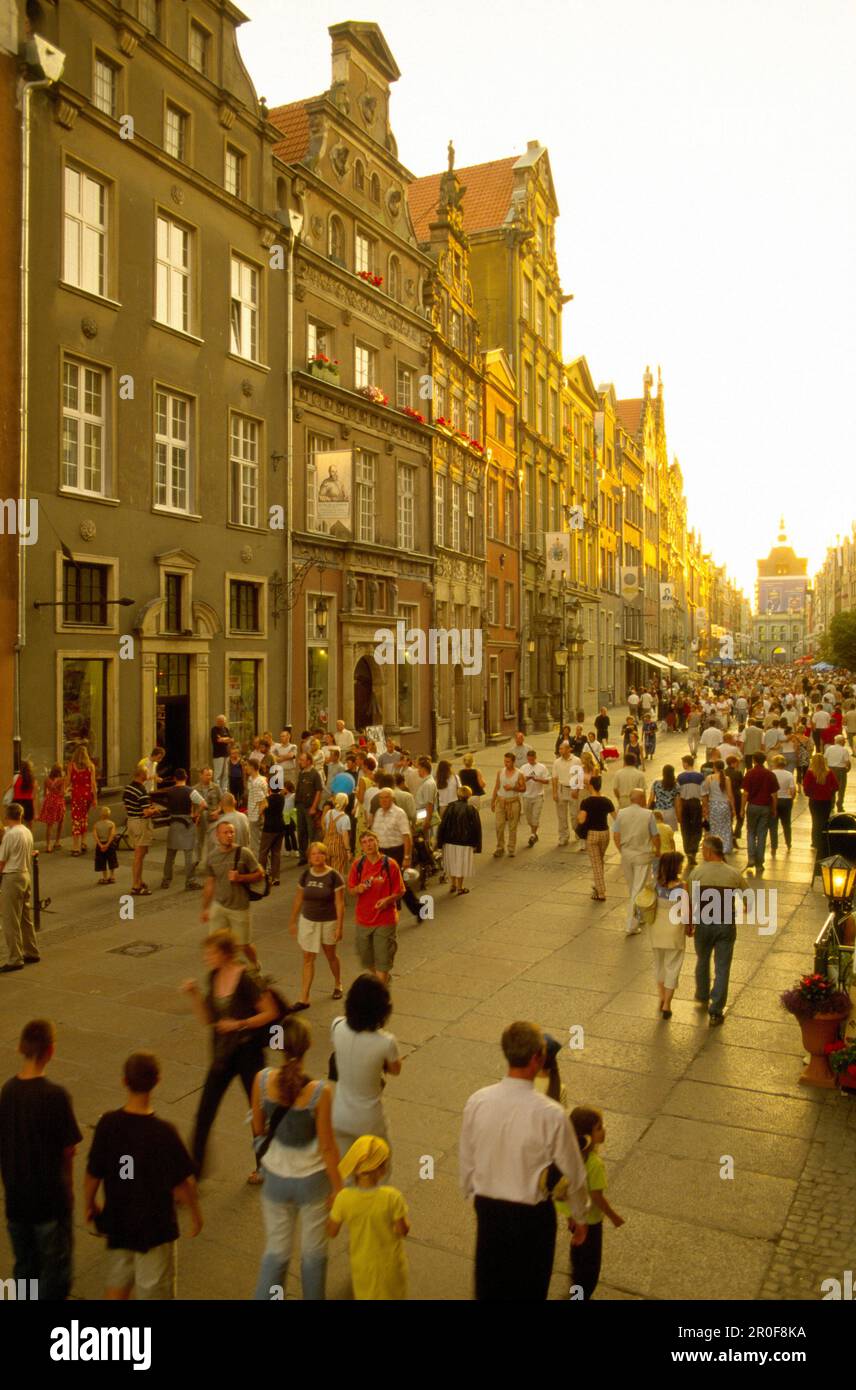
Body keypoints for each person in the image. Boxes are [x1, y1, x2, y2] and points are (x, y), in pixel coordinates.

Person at [459, 1021, 588, 1302]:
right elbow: (575, 1173)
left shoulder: (478, 1101)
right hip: (531, 1218)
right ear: (536, 1059)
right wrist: (579, 1216)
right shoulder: (551, 1114)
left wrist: (471, 1189)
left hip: (490, 1209)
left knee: (490, 1287)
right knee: (530, 1288)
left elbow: (467, 1156)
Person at [84, 1052, 202, 1299]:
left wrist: (89, 1203)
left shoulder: (108, 1124)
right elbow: (182, 1183)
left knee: (117, 1285)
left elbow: (93, 1173)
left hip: (118, 1221)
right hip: (154, 1229)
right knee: (154, 1289)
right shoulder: (164, 1133)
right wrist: (195, 1213)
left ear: (124, 1081)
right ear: (158, 1081)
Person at [251, 1016, 341, 1300]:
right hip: (313, 1183)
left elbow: (257, 1128)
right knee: (314, 1255)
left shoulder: (262, 1081)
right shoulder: (319, 1092)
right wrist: (339, 1188)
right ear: (309, 1045)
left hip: (275, 1181)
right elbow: (327, 1146)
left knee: (276, 1252)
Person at [182, 929, 278, 1178]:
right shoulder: (213, 976)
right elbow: (208, 1020)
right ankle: (194, 1172)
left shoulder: (246, 978)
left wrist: (238, 1024)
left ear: (225, 954)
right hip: (222, 1054)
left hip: (248, 1053)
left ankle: (264, 1166)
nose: (206, 957)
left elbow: (270, 1012)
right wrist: (194, 996)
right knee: (204, 1113)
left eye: (211, 953)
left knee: (257, 1110)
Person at [0, 1019, 82, 1300]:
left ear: (22, 1048)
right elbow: (68, 1150)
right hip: (49, 1201)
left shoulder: (7, 1090)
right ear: (51, 1050)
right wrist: (69, 1190)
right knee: (55, 1272)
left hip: (16, 1202)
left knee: (24, 1268)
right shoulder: (56, 1095)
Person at [328, 1136, 409, 1300]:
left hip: (362, 1267)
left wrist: (332, 1209)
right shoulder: (392, 1197)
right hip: (391, 1266)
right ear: (380, 1169)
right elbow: (402, 1230)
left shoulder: (344, 1198)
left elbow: (332, 1231)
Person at [330, 975, 401, 1159]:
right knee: (380, 1165)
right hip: (368, 1119)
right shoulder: (386, 1042)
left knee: (346, 1169)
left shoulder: (336, 1026)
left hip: (339, 1114)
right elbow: (395, 1070)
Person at [687, 835, 748, 1025]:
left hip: (703, 923)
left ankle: (702, 994)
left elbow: (688, 901)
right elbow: (748, 898)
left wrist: (689, 923)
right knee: (722, 967)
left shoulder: (697, 872)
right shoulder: (733, 873)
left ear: (707, 851)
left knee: (702, 959)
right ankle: (716, 1010)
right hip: (725, 924)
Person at [569, 1107, 624, 1301]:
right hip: (591, 1223)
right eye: (599, 1128)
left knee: (578, 1263)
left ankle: (576, 1293)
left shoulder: (571, 1158)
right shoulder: (594, 1164)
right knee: (590, 1271)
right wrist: (614, 1216)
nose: (604, 1130)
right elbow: (597, 1197)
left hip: (575, 1220)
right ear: (587, 1136)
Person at [201, 820, 265, 971]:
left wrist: (240, 878)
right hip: (219, 906)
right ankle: (226, 972)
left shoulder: (243, 853)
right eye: (226, 832)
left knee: (243, 945)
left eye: (232, 832)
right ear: (217, 835)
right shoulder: (212, 857)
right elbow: (210, 883)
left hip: (240, 907)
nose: (229, 835)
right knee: (216, 942)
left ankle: (255, 965)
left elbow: (260, 874)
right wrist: (205, 908)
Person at [288, 841, 345, 1008]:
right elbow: (299, 898)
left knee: (330, 955)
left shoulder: (334, 876)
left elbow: (339, 904)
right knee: (307, 958)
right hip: (308, 921)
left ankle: (337, 983)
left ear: (325, 856)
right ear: (309, 858)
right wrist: (293, 919)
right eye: (313, 854)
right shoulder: (305, 875)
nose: (317, 857)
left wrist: (340, 927)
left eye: (320, 853)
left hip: (328, 921)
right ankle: (304, 997)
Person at [347, 831, 405, 985]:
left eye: (371, 840)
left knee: (383, 959)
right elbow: (351, 889)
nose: (368, 844)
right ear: (361, 847)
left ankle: (381, 992)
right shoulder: (357, 865)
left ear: (377, 842)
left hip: (385, 919)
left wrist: (388, 900)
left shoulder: (390, 864)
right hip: (363, 919)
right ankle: (383, 978)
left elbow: (400, 890)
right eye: (364, 842)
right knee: (365, 958)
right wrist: (357, 889)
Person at [612, 790, 660, 937]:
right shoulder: (648, 814)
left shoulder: (621, 813)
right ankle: (631, 924)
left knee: (633, 887)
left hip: (626, 855)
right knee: (637, 889)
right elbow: (655, 836)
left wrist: (622, 850)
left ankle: (638, 915)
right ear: (642, 799)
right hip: (642, 856)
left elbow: (616, 835)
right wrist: (657, 851)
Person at [0, 803, 39, 972]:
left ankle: (15, 958)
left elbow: (2, 860)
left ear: (8, 816)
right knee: (25, 917)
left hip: (12, 876)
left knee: (10, 920)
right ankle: (31, 951)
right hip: (25, 874)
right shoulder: (26, 831)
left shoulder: (10, 835)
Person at [652, 852, 689, 1018]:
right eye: (681, 863)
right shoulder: (682, 887)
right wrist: (690, 927)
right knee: (673, 966)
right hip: (675, 930)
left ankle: (661, 997)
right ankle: (667, 1004)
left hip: (657, 930)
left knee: (659, 965)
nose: (682, 866)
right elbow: (686, 910)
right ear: (675, 866)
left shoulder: (655, 885)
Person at [155, 769, 204, 891]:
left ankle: (166, 880)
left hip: (174, 823)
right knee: (189, 855)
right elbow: (203, 803)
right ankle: (190, 881)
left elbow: (162, 802)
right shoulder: (190, 791)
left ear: (175, 778)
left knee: (170, 855)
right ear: (186, 777)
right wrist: (196, 814)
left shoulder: (169, 791)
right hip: (187, 823)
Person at [436, 784, 482, 895]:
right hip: (465, 842)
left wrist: (440, 841)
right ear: (469, 796)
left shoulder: (450, 807)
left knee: (451, 862)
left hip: (449, 840)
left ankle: (453, 884)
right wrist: (477, 844)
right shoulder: (472, 809)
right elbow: (476, 828)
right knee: (461, 864)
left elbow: (443, 825)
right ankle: (460, 887)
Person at [123, 761, 159, 895]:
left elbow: (126, 806)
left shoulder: (128, 788)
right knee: (139, 856)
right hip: (141, 823)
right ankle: (136, 885)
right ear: (142, 775)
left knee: (140, 855)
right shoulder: (142, 790)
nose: (148, 774)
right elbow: (146, 812)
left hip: (131, 821)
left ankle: (139, 879)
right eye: (146, 772)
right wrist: (154, 810)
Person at [577, 776, 614, 902]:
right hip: (605, 833)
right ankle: (598, 885)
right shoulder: (607, 801)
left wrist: (579, 817)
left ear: (591, 786)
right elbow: (616, 817)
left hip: (592, 834)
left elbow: (581, 819)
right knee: (600, 860)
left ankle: (601, 892)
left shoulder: (586, 802)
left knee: (596, 864)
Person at [741, 752, 779, 874]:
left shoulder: (750, 773)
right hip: (765, 807)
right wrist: (774, 809)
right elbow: (774, 795)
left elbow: (745, 793)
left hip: (752, 806)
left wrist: (742, 808)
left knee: (751, 832)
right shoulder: (770, 774)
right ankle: (759, 862)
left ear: (754, 760)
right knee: (762, 834)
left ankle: (751, 857)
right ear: (765, 760)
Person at [804, 753, 839, 859]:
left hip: (814, 801)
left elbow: (806, 787)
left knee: (815, 821)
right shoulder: (829, 773)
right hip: (826, 801)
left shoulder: (810, 773)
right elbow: (836, 786)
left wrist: (810, 794)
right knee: (824, 821)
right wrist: (830, 792)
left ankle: (815, 842)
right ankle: (823, 840)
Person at [492, 752, 526, 857]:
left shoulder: (519, 774)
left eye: (508, 761)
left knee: (512, 826)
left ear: (513, 762)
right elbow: (497, 786)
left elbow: (523, 788)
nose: (506, 763)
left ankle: (511, 848)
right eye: (504, 761)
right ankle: (500, 847)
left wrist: (512, 788)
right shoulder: (500, 772)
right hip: (501, 801)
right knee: (499, 826)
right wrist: (493, 801)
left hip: (513, 802)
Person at [675, 755, 705, 868]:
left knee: (685, 827)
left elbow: (678, 795)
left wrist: (678, 810)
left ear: (687, 763)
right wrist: (705, 808)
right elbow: (704, 794)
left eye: (683, 763)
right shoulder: (700, 777)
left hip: (685, 804)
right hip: (696, 804)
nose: (683, 765)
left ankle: (688, 851)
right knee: (697, 828)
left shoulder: (680, 777)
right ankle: (693, 849)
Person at [67, 742, 97, 854]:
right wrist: (95, 798)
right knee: (84, 818)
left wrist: (64, 790)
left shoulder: (71, 766)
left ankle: (76, 847)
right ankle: (83, 842)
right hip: (87, 795)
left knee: (76, 820)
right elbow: (93, 784)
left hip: (76, 795)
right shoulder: (91, 766)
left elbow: (68, 780)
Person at [294, 752, 323, 867]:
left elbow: (318, 791)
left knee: (312, 833)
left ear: (309, 761)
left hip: (309, 807)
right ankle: (303, 857)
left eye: (302, 760)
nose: (300, 762)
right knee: (301, 832)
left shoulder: (315, 774)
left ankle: (314, 858)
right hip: (300, 806)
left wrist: (314, 807)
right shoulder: (301, 773)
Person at [552, 742, 584, 847]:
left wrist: (577, 789)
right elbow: (554, 778)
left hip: (573, 790)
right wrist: (554, 792)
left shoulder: (576, 761)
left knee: (574, 815)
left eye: (562, 749)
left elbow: (580, 777)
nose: (560, 751)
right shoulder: (557, 762)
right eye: (559, 749)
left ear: (568, 749)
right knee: (561, 816)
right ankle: (563, 837)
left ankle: (578, 833)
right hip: (561, 789)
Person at [702, 760, 735, 854]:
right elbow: (730, 795)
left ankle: (714, 847)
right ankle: (726, 847)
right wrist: (733, 808)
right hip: (724, 805)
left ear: (714, 768)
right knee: (726, 827)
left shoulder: (710, 778)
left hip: (713, 805)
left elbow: (705, 793)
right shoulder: (727, 779)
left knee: (714, 827)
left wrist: (705, 807)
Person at [257, 777, 286, 886]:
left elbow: (260, 811)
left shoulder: (267, 800)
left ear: (269, 787)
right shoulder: (282, 798)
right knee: (276, 853)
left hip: (269, 828)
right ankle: (276, 877)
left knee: (263, 852)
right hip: (280, 827)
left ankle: (262, 875)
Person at [521, 747, 550, 846]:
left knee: (535, 817)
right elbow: (520, 781)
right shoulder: (524, 767)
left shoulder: (542, 767)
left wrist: (538, 779)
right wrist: (527, 778)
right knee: (529, 818)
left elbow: (547, 781)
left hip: (538, 795)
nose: (530, 761)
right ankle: (534, 831)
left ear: (535, 758)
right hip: (526, 796)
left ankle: (533, 835)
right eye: (529, 759)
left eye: (532, 759)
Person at [320, 791, 351, 878]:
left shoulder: (329, 813)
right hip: (338, 848)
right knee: (337, 873)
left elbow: (325, 826)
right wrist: (348, 850)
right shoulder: (345, 818)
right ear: (346, 803)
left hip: (326, 844)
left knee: (326, 871)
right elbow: (345, 835)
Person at [769, 754, 796, 852]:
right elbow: (793, 790)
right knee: (786, 824)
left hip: (773, 800)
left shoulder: (771, 773)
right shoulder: (789, 774)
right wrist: (791, 799)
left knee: (773, 825)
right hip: (786, 800)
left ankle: (774, 846)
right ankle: (788, 843)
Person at [38, 763, 66, 852]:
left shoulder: (46, 780)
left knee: (49, 825)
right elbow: (62, 793)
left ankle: (48, 845)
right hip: (59, 802)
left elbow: (44, 793)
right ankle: (57, 842)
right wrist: (67, 790)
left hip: (49, 801)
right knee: (60, 822)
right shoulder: (62, 780)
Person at [245, 760, 269, 858]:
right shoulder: (254, 780)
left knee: (256, 844)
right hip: (253, 814)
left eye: (247, 766)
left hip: (256, 817)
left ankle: (261, 867)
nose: (245, 768)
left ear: (252, 767)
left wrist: (259, 815)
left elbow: (263, 802)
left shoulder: (256, 783)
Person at [93, 805, 119, 885]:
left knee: (102, 861)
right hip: (110, 844)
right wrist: (107, 844)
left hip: (100, 844)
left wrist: (100, 845)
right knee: (111, 860)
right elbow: (112, 835)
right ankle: (112, 876)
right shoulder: (111, 824)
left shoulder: (96, 825)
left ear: (100, 814)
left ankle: (105, 877)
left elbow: (95, 836)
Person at [649, 764, 679, 829]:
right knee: (670, 834)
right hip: (670, 812)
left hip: (658, 812)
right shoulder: (676, 785)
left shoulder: (656, 783)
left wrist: (648, 811)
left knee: (657, 834)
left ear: (663, 773)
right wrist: (679, 816)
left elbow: (651, 799)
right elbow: (677, 803)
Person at [826, 735, 851, 813]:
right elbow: (847, 762)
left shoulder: (829, 748)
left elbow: (825, 759)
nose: (845, 742)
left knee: (831, 788)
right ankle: (839, 805)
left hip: (830, 769)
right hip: (841, 770)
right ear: (841, 741)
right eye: (844, 741)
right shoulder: (844, 750)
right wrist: (847, 769)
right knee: (841, 788)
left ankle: (831, 804)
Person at [210, 715, 232, 792]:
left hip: (226, 754)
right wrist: (225, 739)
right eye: (222, 721)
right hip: (218, 755)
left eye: (224, 721)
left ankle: (224, 791)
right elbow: (218, 740)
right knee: (218, 774)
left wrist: (223, 739)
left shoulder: (226, 729)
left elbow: (231, 739)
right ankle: (217, 791)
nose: (223, 723)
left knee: (225, 774)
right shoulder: (214, 730)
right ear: (218, 721)